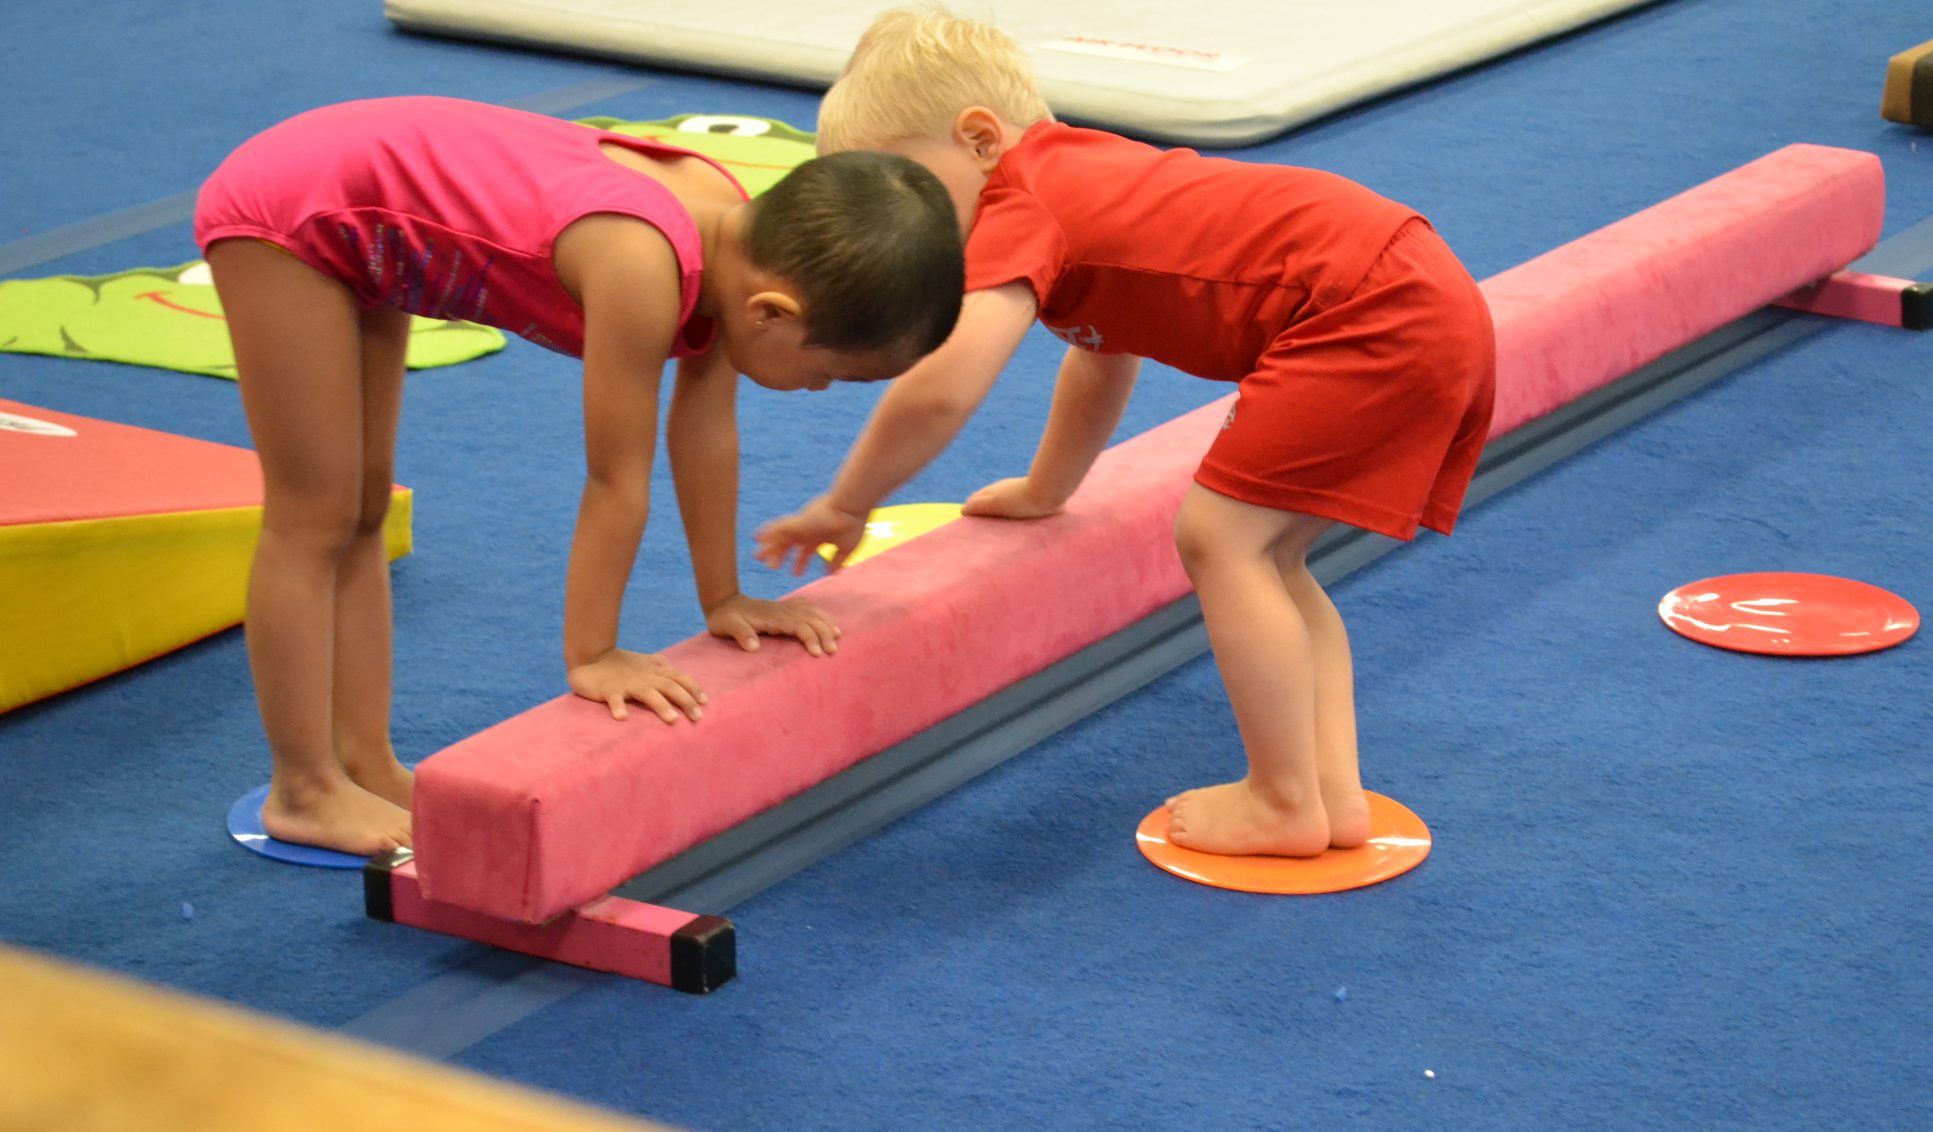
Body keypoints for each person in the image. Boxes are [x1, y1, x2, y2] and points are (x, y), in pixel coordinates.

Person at [755, 9, 1496, 859]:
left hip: (1368, 307)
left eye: (909, 193)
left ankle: (1283, 799)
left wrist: (847, 502)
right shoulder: (1082, 182)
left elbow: (944, 386)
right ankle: (1330, 795)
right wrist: (1048, 491)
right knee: (1276, 560)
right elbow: (1103, 356)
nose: (907, 237)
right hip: (1416, 288)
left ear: (981, 141)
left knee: (1221, 539)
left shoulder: (1022, 198)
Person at [197, 95, 963, 855]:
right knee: (315, 513)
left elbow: (704, 432)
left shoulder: (741, 232)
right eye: (830, 374)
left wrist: (723, 596)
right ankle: (302, 788)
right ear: (770, 312)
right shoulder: (641, 264)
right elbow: (614, 477)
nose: (819, 392)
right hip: (293, 213)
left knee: (362, 507)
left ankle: (363, 761)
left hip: (364, 210)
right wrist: (593, 653)